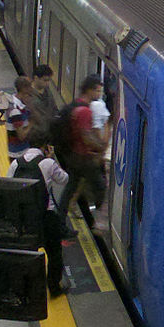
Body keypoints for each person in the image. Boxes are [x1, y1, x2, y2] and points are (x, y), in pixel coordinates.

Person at [9, 131, 70, 298]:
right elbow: (64, 179)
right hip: (47, 216)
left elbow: (9, 186)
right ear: (45, 146)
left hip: (25, 219)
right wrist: (52, 158)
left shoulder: (15, 164)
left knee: (28, 253)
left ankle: (26, 289)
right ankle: (54, 287)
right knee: (54, 253)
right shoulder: (48, 163)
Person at [55, 77, 107, 230]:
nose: (99, 94)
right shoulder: (84, 111)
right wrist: (101, 146)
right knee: (101, 187)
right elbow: (86, 136)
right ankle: (99, 224)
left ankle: (60, 221)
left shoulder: (75, 104)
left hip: (72, 155)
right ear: (89, 90)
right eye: (97, 90)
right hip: (82, 157)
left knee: (70, 188)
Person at [5, 76, 35, 159]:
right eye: (30, 87)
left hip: (23, 152)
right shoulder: (15, 111)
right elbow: (21, 136)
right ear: (24, 89)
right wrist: (32, 122)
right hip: (18, 155)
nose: (32, 90)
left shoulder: (21, 106)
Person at [29, 64, 59, 136]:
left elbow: (54, 108)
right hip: (35, 134)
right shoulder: (27, 94)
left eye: (49, 80)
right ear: (36, 78)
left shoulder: (47, 91)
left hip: (48, 132)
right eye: (45, 80)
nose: (47, 83)